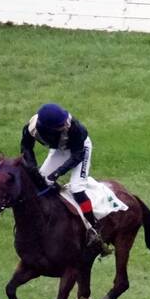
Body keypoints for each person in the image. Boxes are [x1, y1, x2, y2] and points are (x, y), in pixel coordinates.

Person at [21, 102, 105, 252]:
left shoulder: (75, 128)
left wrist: (56, 174)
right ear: (48, 127)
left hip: (80, 149)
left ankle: (93, 228)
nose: (66, 123)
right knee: (39, 183)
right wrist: (33, 168)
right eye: (61, 124)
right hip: (60, 149)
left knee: (77, 188)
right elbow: (26, 147)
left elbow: (77, 156)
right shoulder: (31, 127)